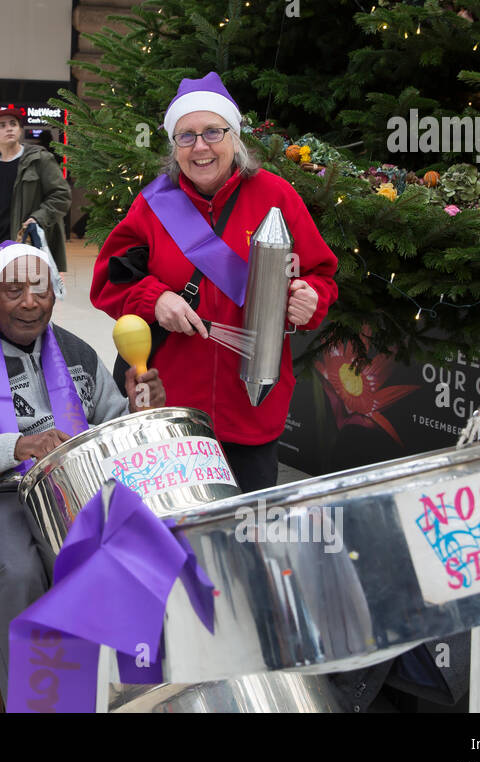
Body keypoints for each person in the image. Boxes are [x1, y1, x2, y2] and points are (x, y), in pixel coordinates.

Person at [0, 242, 165, 697]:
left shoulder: (75, 352)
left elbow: (112, 430)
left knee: (138, 545)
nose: (31, 301)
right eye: (15, 290)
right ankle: (39, 700)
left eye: (41, 288)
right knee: (21, 571)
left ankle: (125, 690)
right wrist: (16, 446)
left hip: (75, 488)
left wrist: (139, 406)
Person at [91, 72, 338, 493]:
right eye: (186, 137)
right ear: (174, 147)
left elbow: (321, 275)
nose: (200, 147)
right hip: (171, 407)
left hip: (251, 406)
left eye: (212, 132)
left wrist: (310, 298)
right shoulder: (153, 205)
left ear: (234, 138)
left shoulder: (276, 197)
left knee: (246, 533)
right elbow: (107, 281)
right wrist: (156, 299)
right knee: (174, 540)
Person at [0, 105, 72, 322]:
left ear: (20, 130)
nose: (9, 129)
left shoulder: (39, 159)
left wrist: (38, 218)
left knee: (21, 311)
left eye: (13, 124)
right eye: (2, 125)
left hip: (25, 248)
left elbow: (62, 196)